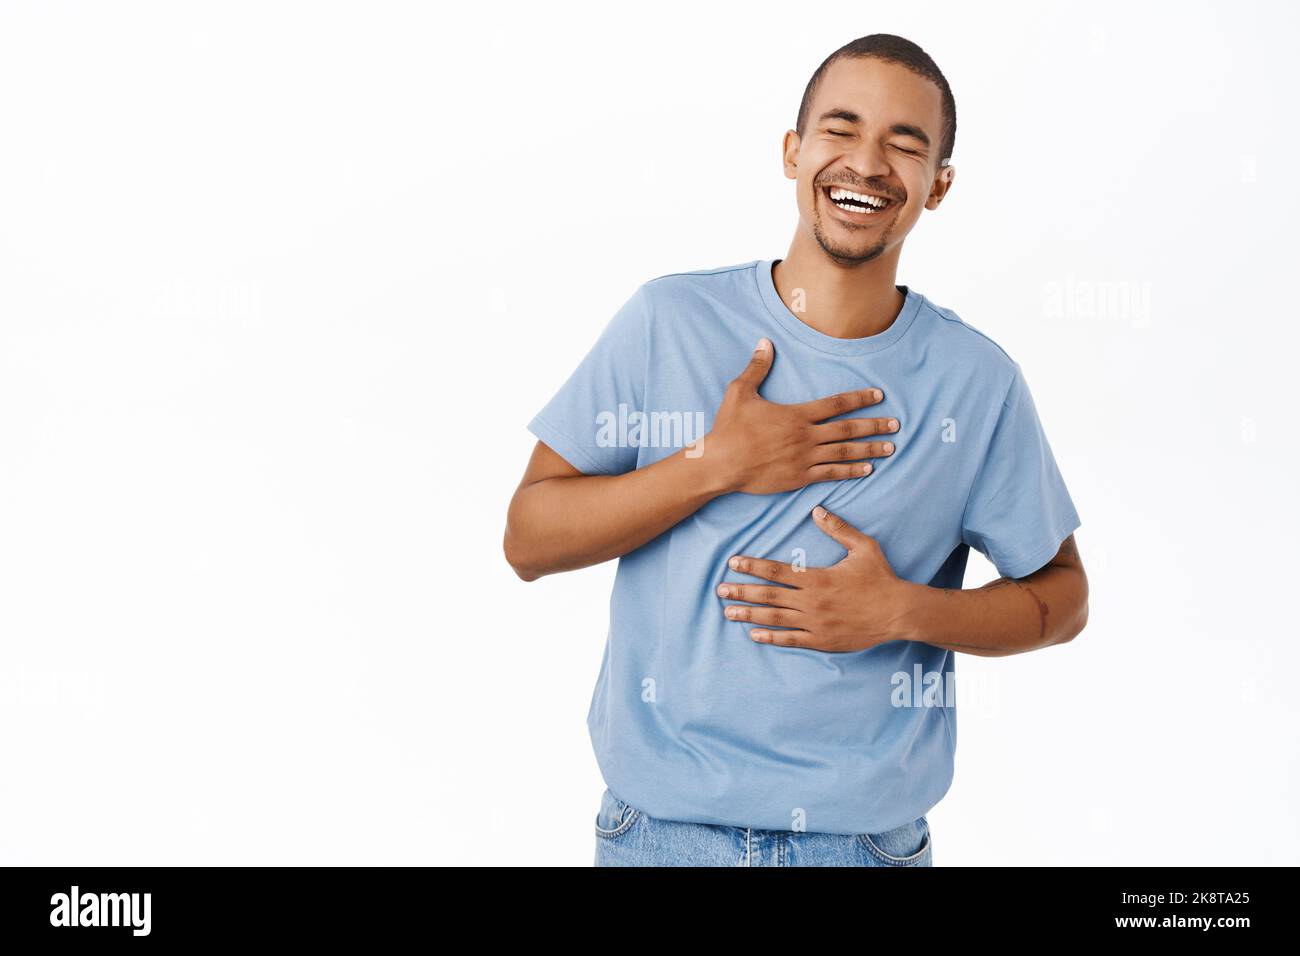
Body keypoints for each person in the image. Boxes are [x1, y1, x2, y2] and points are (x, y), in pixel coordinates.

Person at [504, 34, 1089, 867]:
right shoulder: (667, 321)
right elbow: (527, 540)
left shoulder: (978, 383)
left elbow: (1062, 598)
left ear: (939, 185)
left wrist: (901, 610)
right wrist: (716, 463)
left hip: (865, 846)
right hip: (660, 838)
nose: (867, 162)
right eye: (840, 129)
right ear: (794, 151)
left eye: (905, 143)